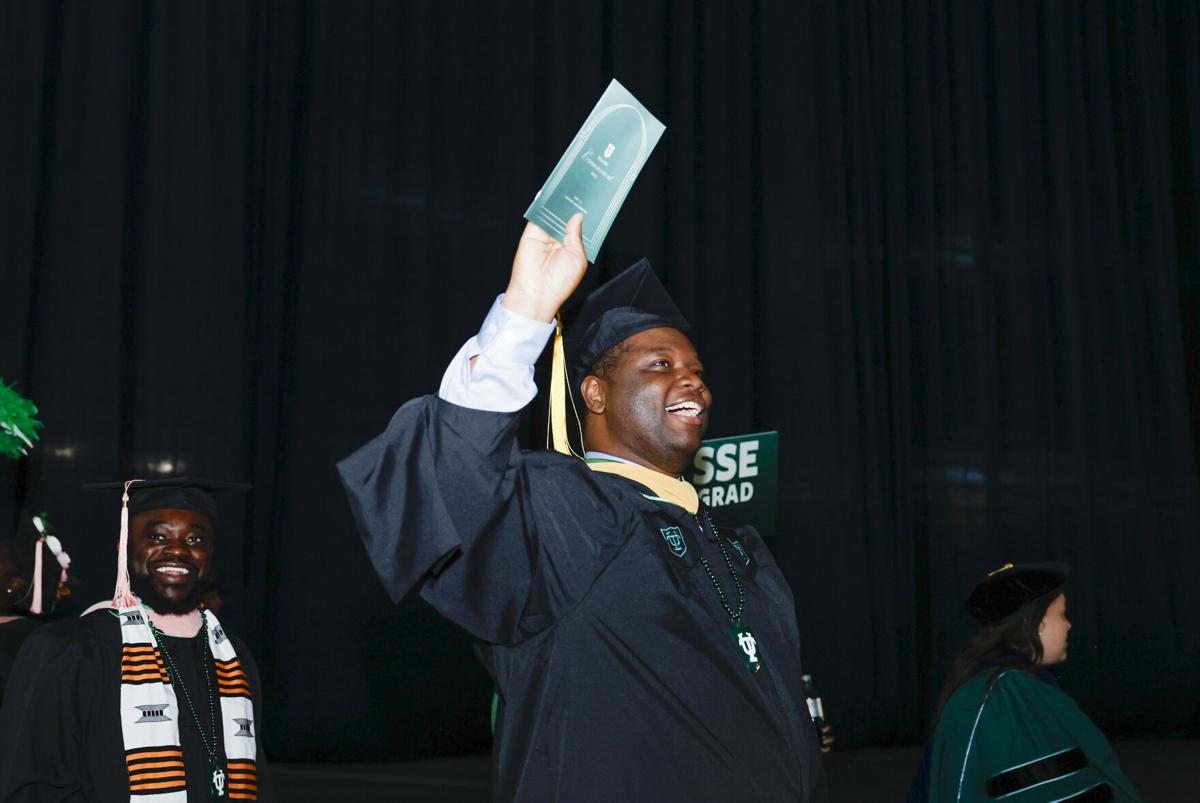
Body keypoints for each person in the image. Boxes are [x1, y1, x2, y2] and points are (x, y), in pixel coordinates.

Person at [339, 214, 827, 801]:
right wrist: (525, 313)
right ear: (594, 392)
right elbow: (455, 482)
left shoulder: (738, 548)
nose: (693, 382)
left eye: (697, 371)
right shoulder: (572, 512)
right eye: (661, 366)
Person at [0, 477, 273, 801]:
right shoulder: (69, 651)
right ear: (124, 547)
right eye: (157, 536)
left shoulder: (233, 657)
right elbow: (34, 788)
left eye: (195, 538)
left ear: (210, 555)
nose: (176, 549)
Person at [916, 562, 1142, 802]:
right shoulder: (1006, 698)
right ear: (1033, 625)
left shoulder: (987, 685)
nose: (1068, 625)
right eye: (1062, 613)